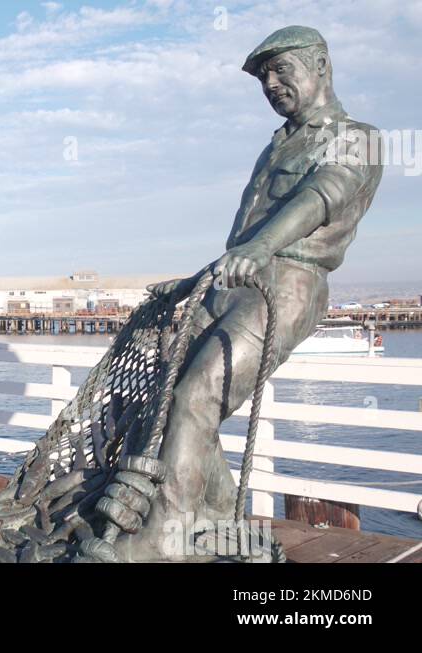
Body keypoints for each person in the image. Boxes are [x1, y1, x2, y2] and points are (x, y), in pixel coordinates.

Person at [100, 26, 385, 561]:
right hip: (231, 283)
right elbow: (245, 240)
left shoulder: (358, 136)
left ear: (320, 64)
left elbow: (320, 197)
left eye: (282, 70)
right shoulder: (278, 144)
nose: (272, 85)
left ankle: (169, 533)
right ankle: (216, 517)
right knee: (170, 399)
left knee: (197, 396)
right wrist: (194, 281)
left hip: (288, 286)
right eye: (263, 78)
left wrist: (262, 250)